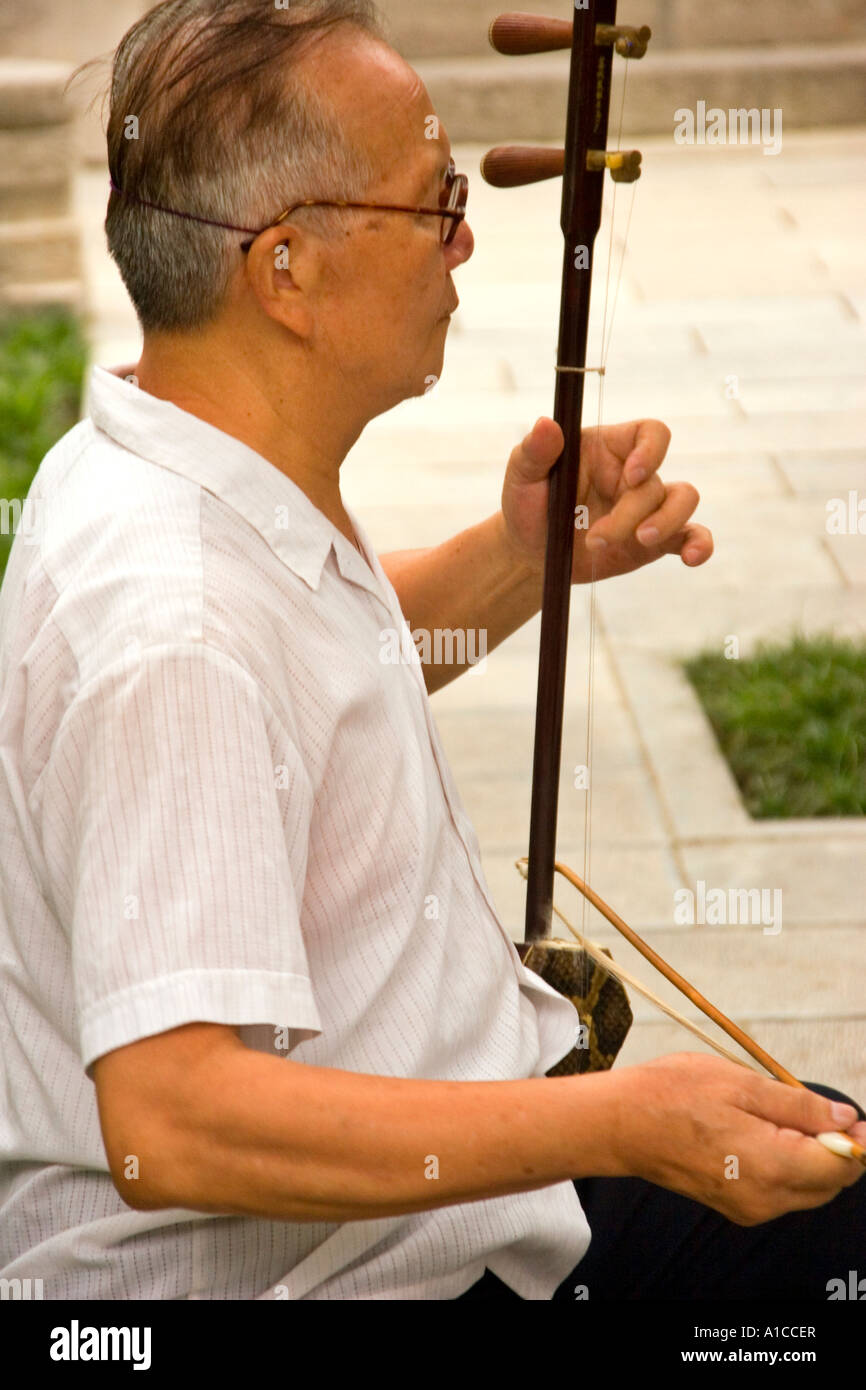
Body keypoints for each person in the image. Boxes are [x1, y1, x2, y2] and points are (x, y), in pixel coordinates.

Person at [0, 0, 862, 1302]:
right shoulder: (167, 626)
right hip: (339, 1280)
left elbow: (293, 677)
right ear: (282, 267)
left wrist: (523, 555)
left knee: (821, 1148)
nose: (465, 238)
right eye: (433, 200)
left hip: (424, 1223)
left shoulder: (162, 443)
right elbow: (168, 1121)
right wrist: (620, 1123)